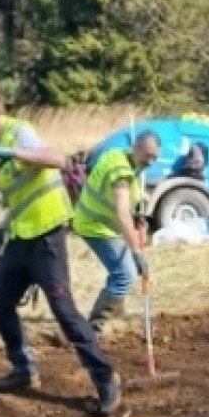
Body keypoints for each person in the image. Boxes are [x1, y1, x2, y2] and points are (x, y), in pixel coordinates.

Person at [0, 87, 119, 416]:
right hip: (21, 238)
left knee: (65, 312)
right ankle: (23, 369)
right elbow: (18, 197)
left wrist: (15, 153)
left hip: (47, 236)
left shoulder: (19, 131)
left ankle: (105, 379)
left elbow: (56, 159)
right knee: (1, 304)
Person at [71, 131, 160, 334]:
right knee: (125, 274)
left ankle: (115, 312)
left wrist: (137, 214)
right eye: (148, 156)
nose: (151, 162)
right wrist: (137, 252)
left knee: (122, 272)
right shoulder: (120, 170)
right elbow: (121, 212)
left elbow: (126, 202)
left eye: (155, 157)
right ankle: (93, 327)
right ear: (136, 147)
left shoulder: (125, 158)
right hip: (94, 224)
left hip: (105, 224)